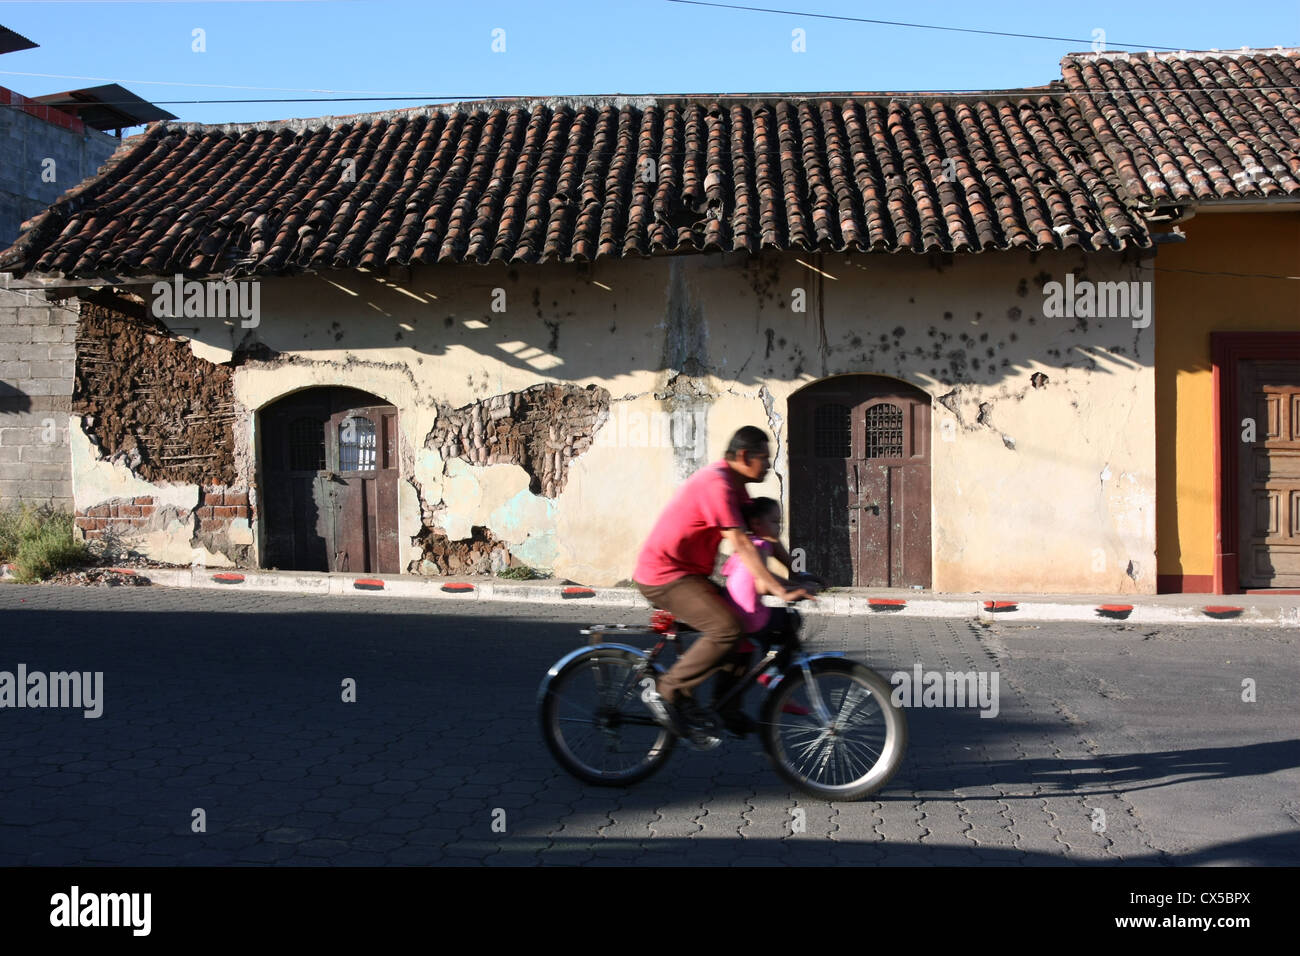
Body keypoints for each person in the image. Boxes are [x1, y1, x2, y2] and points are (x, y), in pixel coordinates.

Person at [632, 426, 811, 746]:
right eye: (764, 459)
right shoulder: (717, 484)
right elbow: (741, 542)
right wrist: (779, 588)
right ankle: (669, 689)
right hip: (664, 575)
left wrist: (797, 574)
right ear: (745, 456)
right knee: (727, 628)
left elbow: (765, 533)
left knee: (743, 627)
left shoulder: (737, 487)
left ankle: (727, 708)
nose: (769, 465)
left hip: (690, 574)